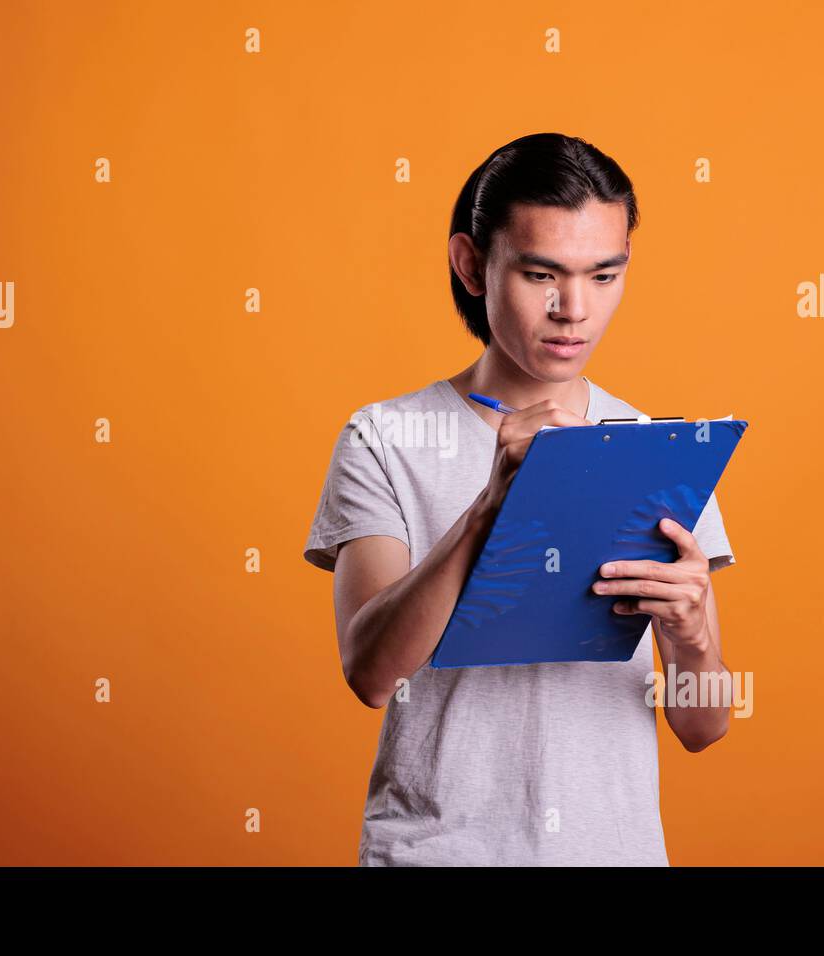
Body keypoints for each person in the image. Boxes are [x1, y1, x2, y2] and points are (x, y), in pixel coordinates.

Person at [303, 132, 737, 866]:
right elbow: (371, 674)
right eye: (542, 274)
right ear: (472, 265)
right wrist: (490, 509)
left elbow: (703, 728)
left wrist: (693, 639)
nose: (574, 309)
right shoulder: (385, 436)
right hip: (437, 852)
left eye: (604, 276)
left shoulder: (649, 448)